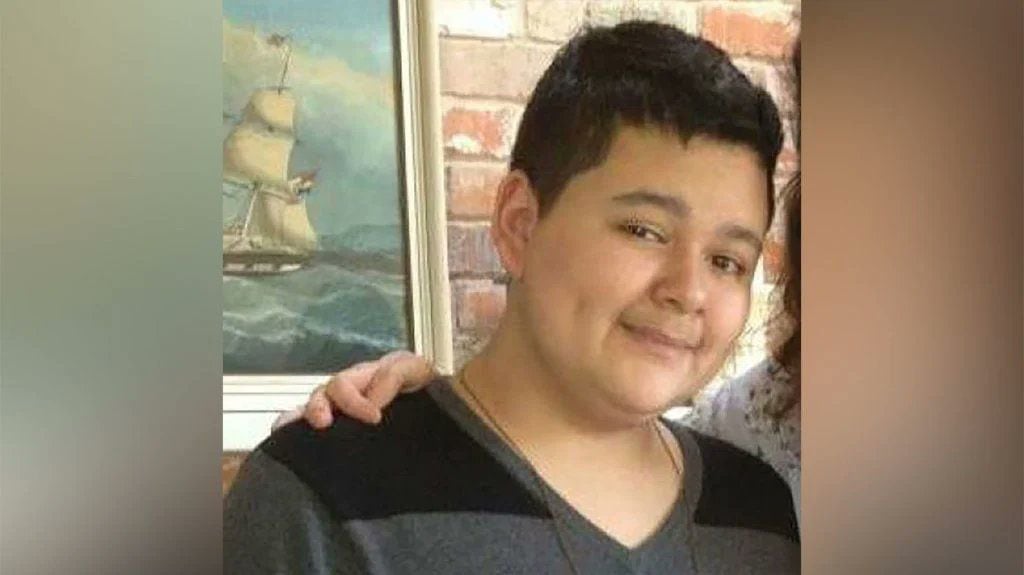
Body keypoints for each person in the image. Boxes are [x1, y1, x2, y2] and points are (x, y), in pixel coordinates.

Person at [226, 21, 798, 574]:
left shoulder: (757, 515)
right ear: (520, 223)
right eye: (643, 230)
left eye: (727, 262)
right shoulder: (321, 503)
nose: (688, 292)